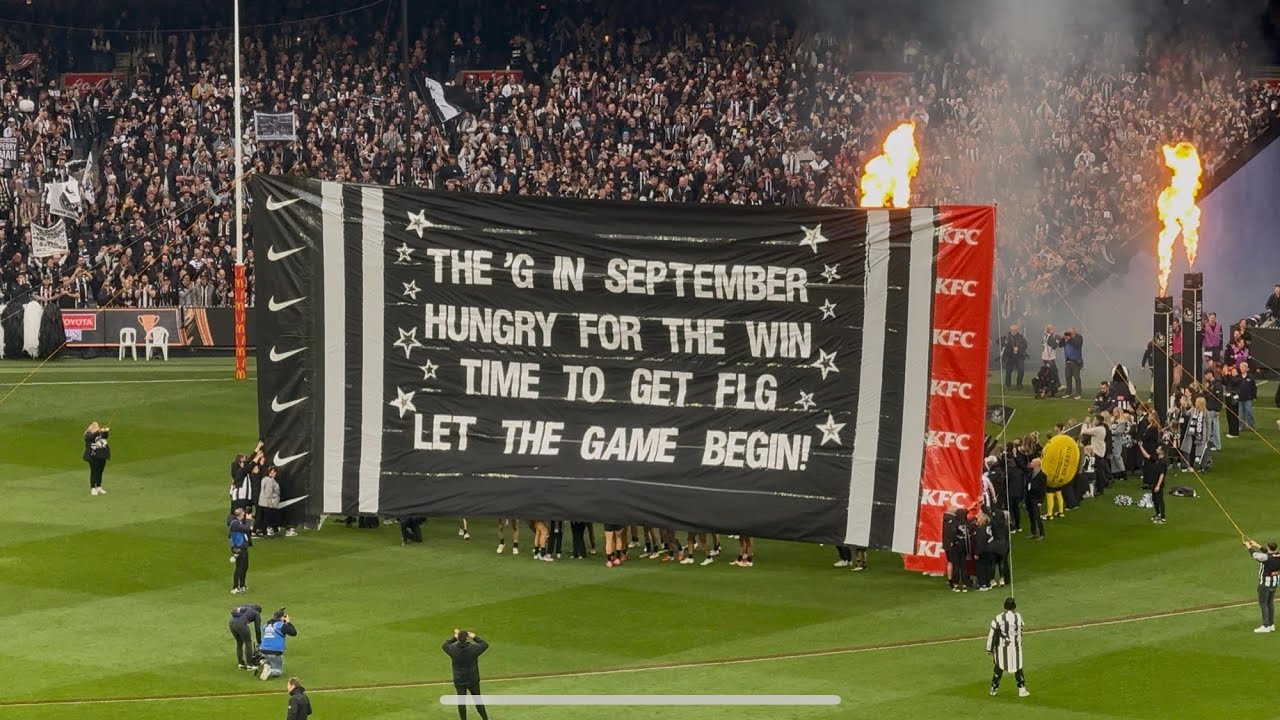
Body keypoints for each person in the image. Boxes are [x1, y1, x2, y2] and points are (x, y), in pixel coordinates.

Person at [986, 596, 1029, 697]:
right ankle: (1022, 689)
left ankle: (993, 689)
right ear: (1014, 606)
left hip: (1002, 648)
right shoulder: (1018, 617)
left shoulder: (998, 618)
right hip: (1016, 647)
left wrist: (989, 648)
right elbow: (1021, 629)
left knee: (999, 667)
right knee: (1018, 667)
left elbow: (992, 635)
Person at [443, 629, 490, 720]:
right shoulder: (473, 649)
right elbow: (485, 644)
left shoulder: (453, 649)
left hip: (459, 680)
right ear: (467, 638)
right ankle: (486, 719)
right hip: (473, 679)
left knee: (461, 702)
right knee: (478, 700)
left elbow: (445, 645)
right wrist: (475, 637)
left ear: (459, 639)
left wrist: (454, 638)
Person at [1244, 539, 1280, 633]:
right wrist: (1256, 545)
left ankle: (1265, 626)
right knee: (1270, 603)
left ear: (1268, 547)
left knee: (1263, 604)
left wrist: (1249, 546)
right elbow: (1268, 554)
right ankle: (1271, 625)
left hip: (1264, 584)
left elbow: (1255, 555)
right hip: (1274, 583)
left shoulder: (1266, 557)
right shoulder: (1278, 555)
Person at [259, 608, 297, 680]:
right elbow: (293, 633)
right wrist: (288, 622)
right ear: (282, 617)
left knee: (270, 660)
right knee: (278, 671)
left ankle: (264, 663)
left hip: (263, 650)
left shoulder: (266, 625)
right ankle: (269, 671)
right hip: (275, 651)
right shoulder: (281, 625)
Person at [229, 603, 263, 670]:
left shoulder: (245, 608)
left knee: (239, 643)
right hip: (241, 624)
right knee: (248, 643)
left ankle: (241, 663)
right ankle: (250, 665)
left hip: (231, 623)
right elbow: (257, 629)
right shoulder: (256, 613)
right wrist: (259, 642)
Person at [229, 507, 253, 594]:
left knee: (245, 567)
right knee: (239, 568)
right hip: (239, 548)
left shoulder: (238, 522)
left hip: (243, 547)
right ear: (240, 515)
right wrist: (248, 520)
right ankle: (235, 587)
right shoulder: (235, 524)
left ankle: (242, 585)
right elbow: (246, 529)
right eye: (243, 514)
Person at [83, 421, 110, 496]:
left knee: (100, 471)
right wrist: (99, 431)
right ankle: (93, 488)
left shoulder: (99, 433)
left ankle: (98, 486)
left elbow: (105, 437)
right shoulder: (88, 434)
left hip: (102, 455)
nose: (97, 428)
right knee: (94, 471)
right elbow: (91, 437)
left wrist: (105, 432)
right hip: (93, 456)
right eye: (95, 427)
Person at [1000, 323, 1028, 389]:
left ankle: (1019, 384)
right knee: (1008, 371)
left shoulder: (1021, 337)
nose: (1013, 331)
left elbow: (1025, 346)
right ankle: (1008, 385)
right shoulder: (1007, 337)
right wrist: (1006, 345)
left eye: (1015, 330)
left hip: (1019, 356)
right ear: (1010, 330)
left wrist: (1019, 349)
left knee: (1021, 370)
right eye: (1012, 330)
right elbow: (1001, 343)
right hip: (1010, 356)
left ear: (1017, 330)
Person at [1025, 458, 1046, 540]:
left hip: (1036, 498)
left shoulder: (1042, 476)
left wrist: (1040, 501)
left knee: (1037, 516)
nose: (1031, 463)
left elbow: (1043, 489)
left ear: (1037, 464)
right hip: (1029, 497)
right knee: (1031, 516)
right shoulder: (1030, 473)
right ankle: (1033, 532)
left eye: (1033, 462)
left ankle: (1042, 533)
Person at [1062, 328, 1084, 398]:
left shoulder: (1079, 337)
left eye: (1070, 332)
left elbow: (1077, 345)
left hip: (1076, 361)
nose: (1069, 333)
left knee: (1077, 378)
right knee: (1068, 377)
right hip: (1068, 360)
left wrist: (1069, 339)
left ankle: (1078, 393)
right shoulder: (1067, 338)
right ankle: (1068, 392)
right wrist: (1063, 338)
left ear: (1074, 332)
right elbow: (1060, 345)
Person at [1149, 446, 1168, 524]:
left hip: (1159, 483)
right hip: (1154, 482)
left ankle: (1163, 517)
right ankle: (1158, 514)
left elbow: (1162, 474)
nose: (1156, 450)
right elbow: (1147, 456)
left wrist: (1158, 485)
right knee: (1154, 499)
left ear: (1162, 451)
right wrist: (1140, 447)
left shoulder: (1163, 462)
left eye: (1158, 449)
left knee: (1160, 500)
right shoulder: (1157, 459)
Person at [1237, 362, 1257, 431]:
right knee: (1240, 413)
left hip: (1248, 398)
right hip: (1240, 398)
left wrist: (1254, 396)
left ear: (1246, 368)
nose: (1241, 368)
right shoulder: (1238, 376)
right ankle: (1241, 426)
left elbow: (1254, 387)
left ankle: (1252, 426)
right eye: (1240, 367)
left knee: (1249, 412)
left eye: (1242, 367)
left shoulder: (1250, 377)